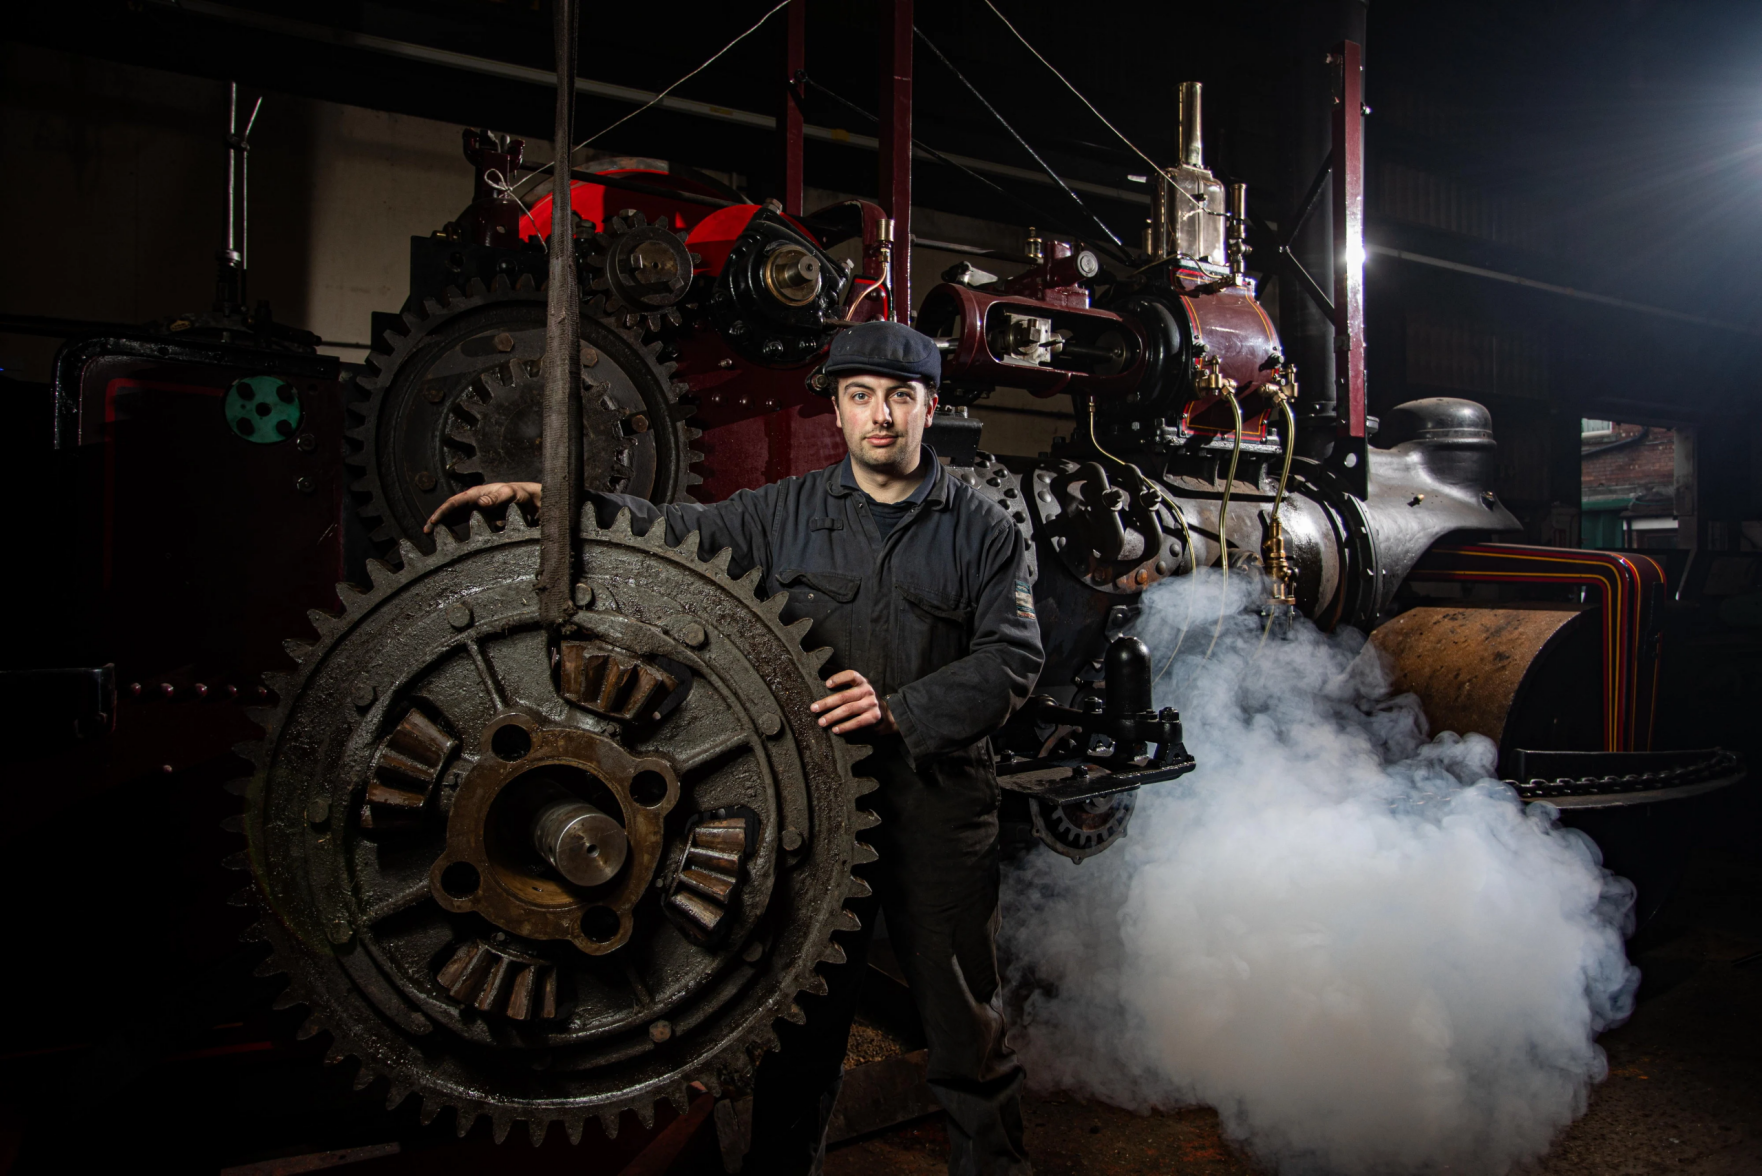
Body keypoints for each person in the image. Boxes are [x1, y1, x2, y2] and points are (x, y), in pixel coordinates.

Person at [426, 319, 1042, 1176]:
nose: (881, 416)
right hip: (819, 808)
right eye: (861, 396)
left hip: (937, 808)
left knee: (965, 1026)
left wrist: (900, 709)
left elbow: (1013, 661)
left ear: (930, 408)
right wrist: (555, 503)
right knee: (803, 1028)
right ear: (837, 408)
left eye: (900, 397)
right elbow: (674, 533)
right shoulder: (782, 512)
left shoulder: (983, 530)